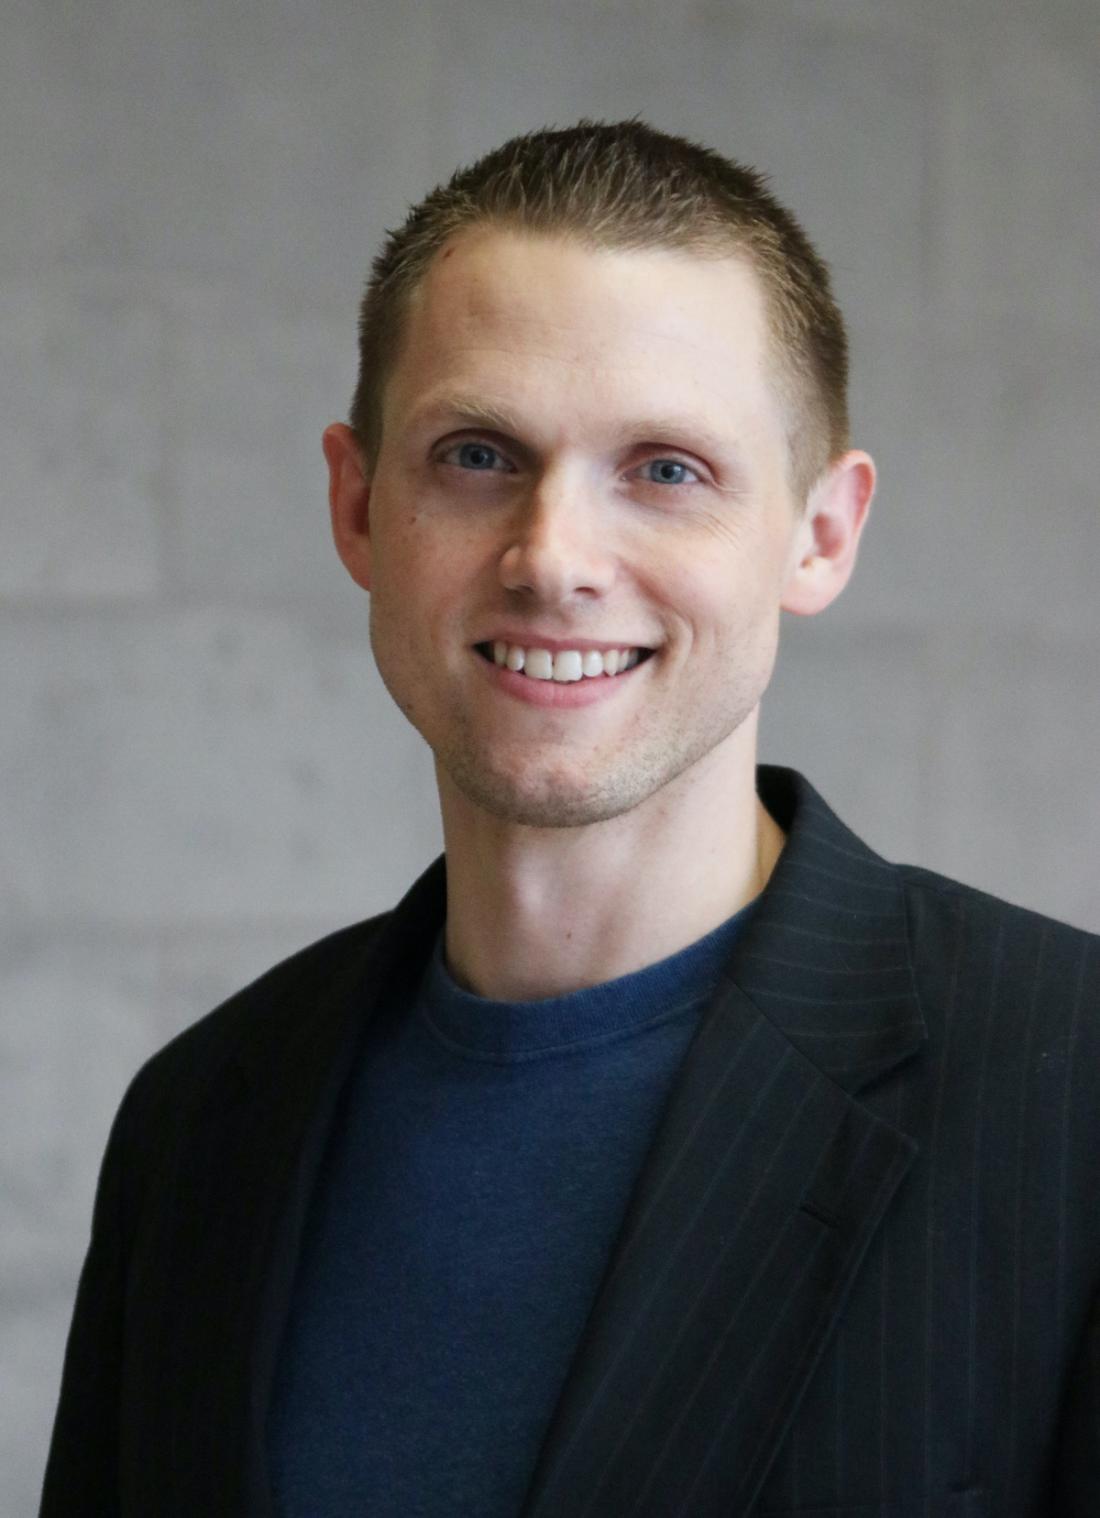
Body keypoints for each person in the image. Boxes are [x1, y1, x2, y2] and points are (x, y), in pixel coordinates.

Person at [40, 117, 1099, 1518]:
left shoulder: (1069, 1089)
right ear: (358, 508)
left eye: (666, 468)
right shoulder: (196, 1124)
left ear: (820, 534)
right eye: (477, 455)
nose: (552, 559)